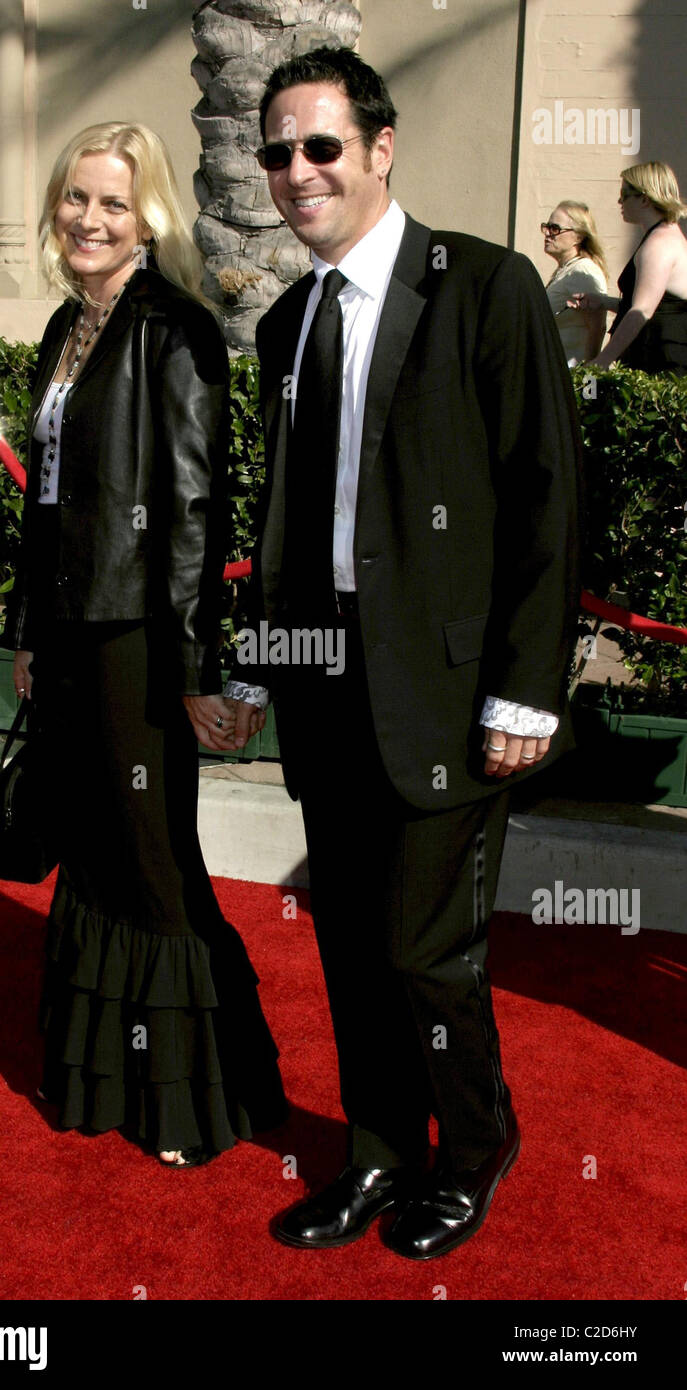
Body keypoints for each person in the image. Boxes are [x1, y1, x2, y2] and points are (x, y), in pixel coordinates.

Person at [225, 48, 581, 1259]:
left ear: (380, 148)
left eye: (319, 145)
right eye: (276, 151)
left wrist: (525, 691)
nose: (295, 171)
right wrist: (254, 665)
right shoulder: (286, 323)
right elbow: (283, 523)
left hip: (443, 691)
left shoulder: (482, 288)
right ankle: (377, 1148)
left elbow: (545, 501)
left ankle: (472, 1148)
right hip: (325, 683)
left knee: (425, 950)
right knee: (344, 938)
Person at [6, 122, 286, 1168]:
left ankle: (205, 1100)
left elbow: (192, 514)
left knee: (156, 862)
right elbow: (44, 504)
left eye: (113, 204)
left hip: (138, 641)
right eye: (77, 198)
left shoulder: (176, 330)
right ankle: (103, 1078)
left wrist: (194, 668)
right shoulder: (63, 330)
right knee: (95, 854)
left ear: (148, 216)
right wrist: (29, 634)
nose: (89, 219)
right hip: (74, 638)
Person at [569, 161, 687, 375]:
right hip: (657, 360)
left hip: (663, 366)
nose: (619, 201)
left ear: (644, 198)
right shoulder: (663, 236)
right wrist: (603, 302)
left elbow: (642, 311)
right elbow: (659, 305)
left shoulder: (660, 244)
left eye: (624, 194)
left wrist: (602, 360)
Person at [541, 201, 607, 365]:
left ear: (578, 236)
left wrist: (588, 381)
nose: (548, 233)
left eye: (555, 229)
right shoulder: (566, 271)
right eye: (547, 227)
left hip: (575, 379)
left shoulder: (583, 272)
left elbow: (598, 328)